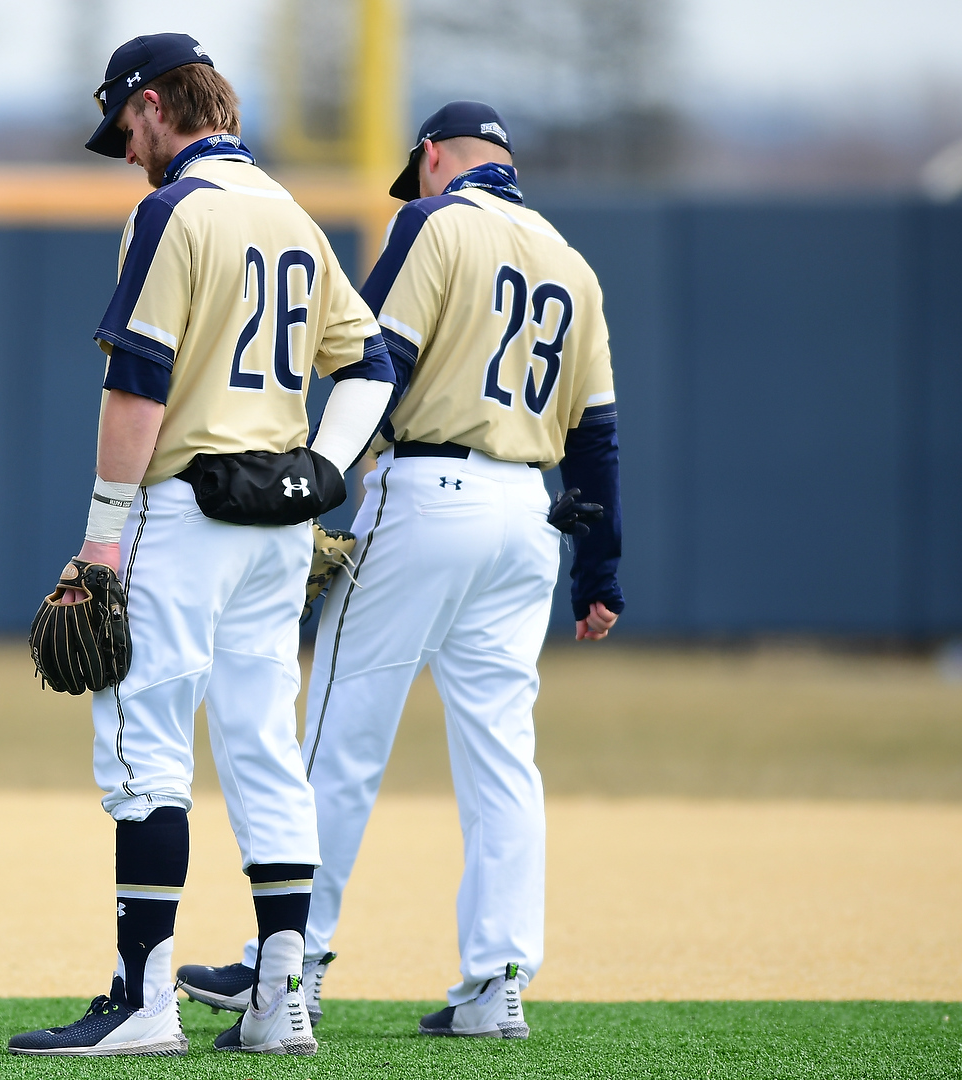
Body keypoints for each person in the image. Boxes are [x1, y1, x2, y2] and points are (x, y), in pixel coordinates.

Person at [176, 100, 625, 1039]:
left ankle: (288, 966)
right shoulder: (572, 264)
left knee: (341, 737)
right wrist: (601, 575)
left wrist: (314, 492)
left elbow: (381, 363)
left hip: (428, 492)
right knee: (504, 757)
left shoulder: (435, 222)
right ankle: (498, 982)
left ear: (431, 159)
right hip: (527, 517)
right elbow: (597, 435)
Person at [6, 34, 395, 1058]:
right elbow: (372, 364)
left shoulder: (170, 209)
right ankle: (280, 1000)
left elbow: (137, 382)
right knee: (265, 750)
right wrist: (324, 468)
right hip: (275, 520)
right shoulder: (290, 212)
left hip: (180, 513)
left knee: (144, 749)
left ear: (151, 105)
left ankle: (143, 1001)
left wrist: (98, 543)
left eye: (124, 126)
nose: (125, 150)